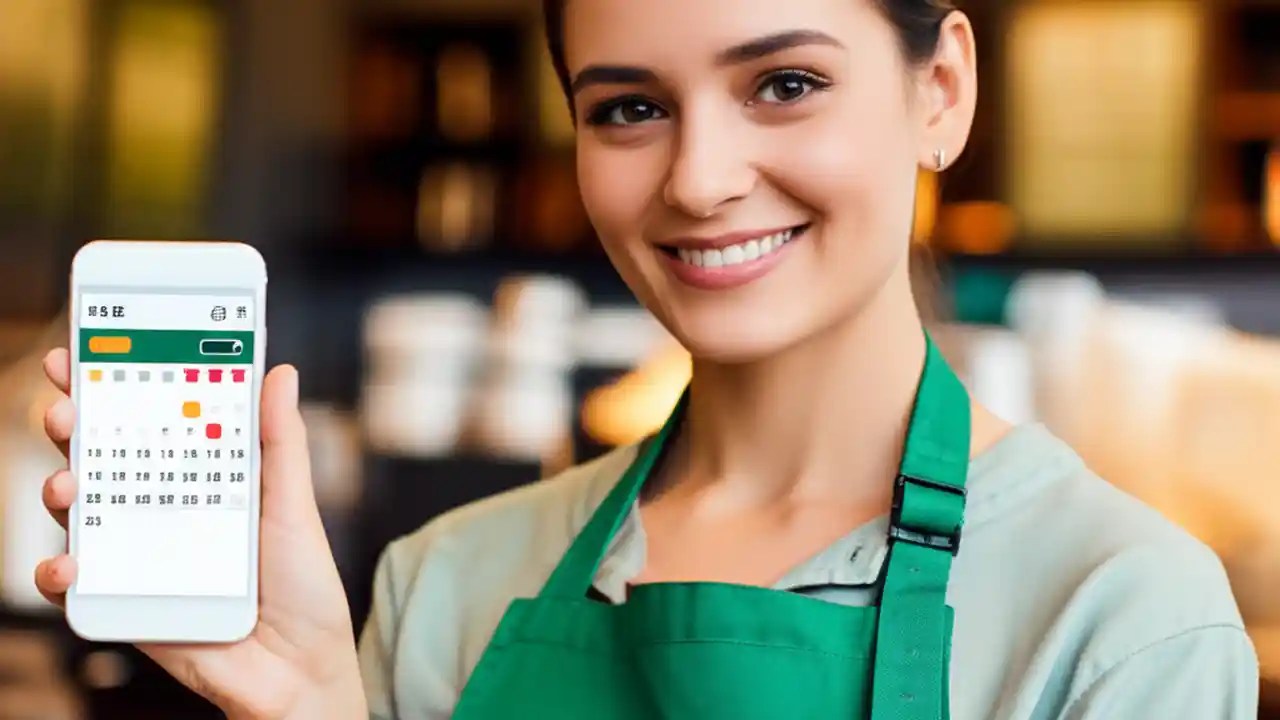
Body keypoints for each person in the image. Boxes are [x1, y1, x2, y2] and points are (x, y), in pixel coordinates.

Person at [35, 0, 1259, 718]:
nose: (697, 178)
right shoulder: (443, 584)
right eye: (627, 107)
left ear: (937, 90)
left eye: (782, 84)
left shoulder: (1120, 614)